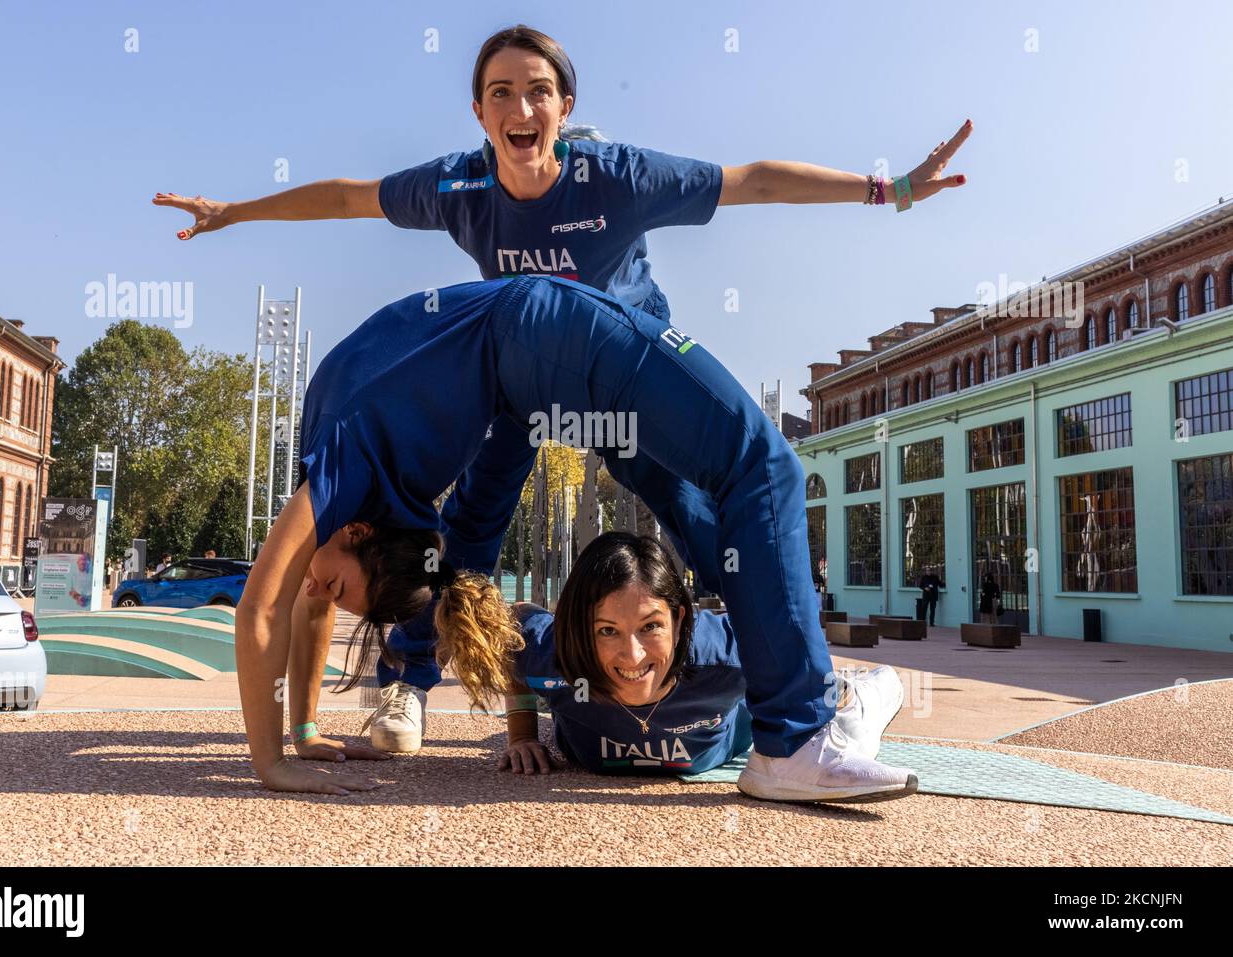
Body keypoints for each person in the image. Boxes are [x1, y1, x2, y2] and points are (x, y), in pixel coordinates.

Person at [157, 24, 973, 755]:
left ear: (564, 107)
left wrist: (887, 189)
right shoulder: (460, 187)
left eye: (538, 92)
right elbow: (345, 197)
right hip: (517, 375)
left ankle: (751, 638)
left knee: (682, 494)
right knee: (472, 512)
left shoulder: (615, 177)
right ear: (480, 116)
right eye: (501, 93)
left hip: (622, 375)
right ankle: (409, 682)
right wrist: (236, 211)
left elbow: (751, 179)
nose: (521, 109)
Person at [235, 274, 918, 803]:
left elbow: (263, 606)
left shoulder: (341, 467)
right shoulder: (355, 504)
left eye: (332, 582)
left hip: (540, 333)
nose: (315, 585)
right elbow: (308, 600)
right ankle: (794, 728)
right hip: (528, 364)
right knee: (722, 469)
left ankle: (797, 734)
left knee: (764, 466)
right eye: (329, 585)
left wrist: (269, 761)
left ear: (357, 532)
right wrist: (301, 731)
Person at [500, 532, 904, 779]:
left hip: (741, 723)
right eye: (607, 630)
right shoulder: (560, 656)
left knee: (830, 694)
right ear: (579, 632)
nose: (633, 654)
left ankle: (864, 690)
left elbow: (795, 645)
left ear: (678, 621)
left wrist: (833, 695)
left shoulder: (723, 655)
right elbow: (513, 625)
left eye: (650, 627)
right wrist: (521, 735)